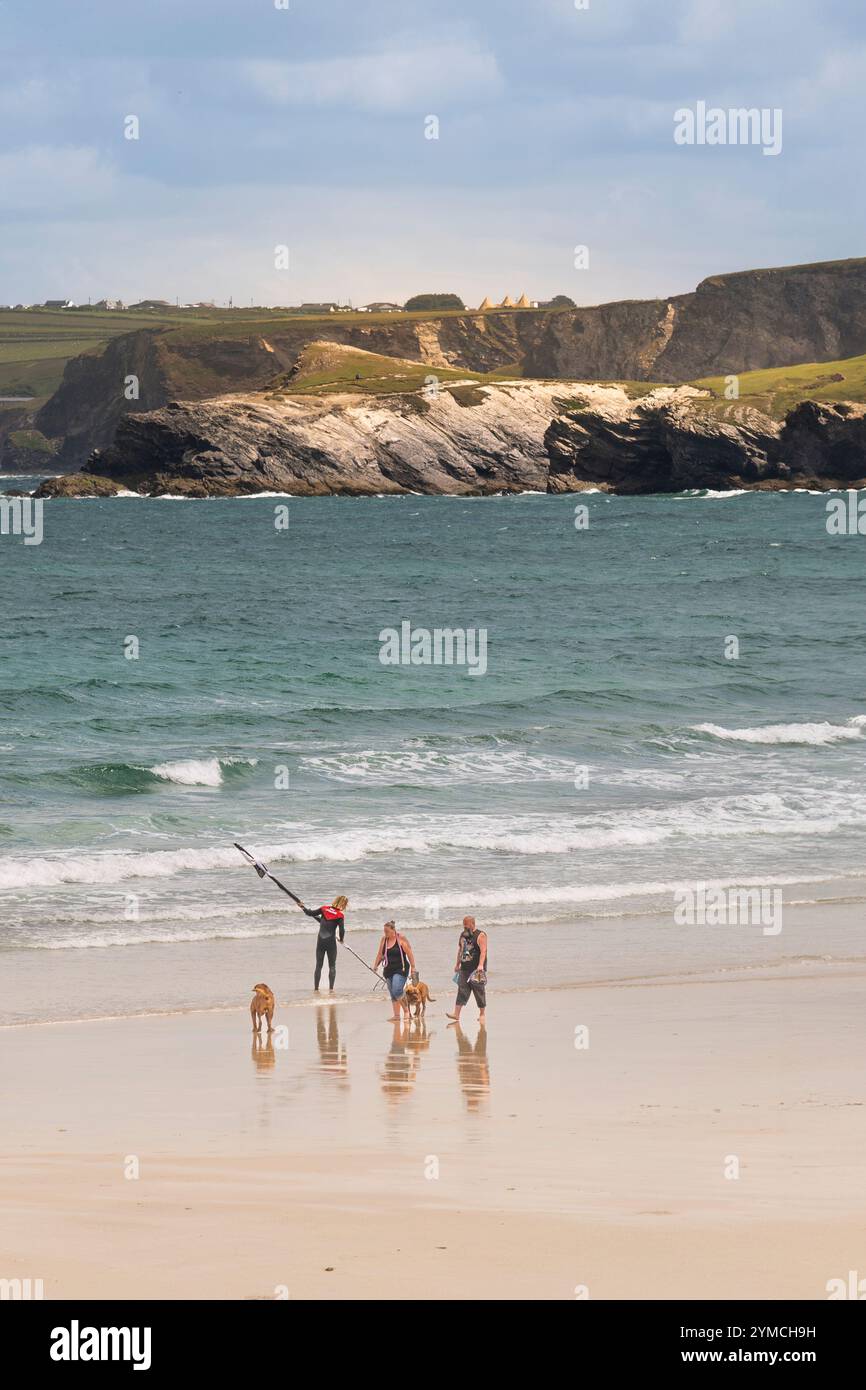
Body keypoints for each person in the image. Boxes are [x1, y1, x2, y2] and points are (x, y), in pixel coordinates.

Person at [302, 895, 348, 992]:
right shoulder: (340, 915)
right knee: (332, 966)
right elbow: (341, 930)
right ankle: (331, 989)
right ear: (343, 904)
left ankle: (316, 989)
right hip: (331, 942)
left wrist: (302, 907)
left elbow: (310, 913)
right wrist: (342, 939)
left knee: (318, 965)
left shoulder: (324, 909)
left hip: (320, 941)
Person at [373, 920, 417, 1021]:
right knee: (393, 993)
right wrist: (376, 965)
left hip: (401, 969)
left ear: (393, 930)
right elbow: (380, 954)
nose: (385, 933)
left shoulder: (401, 938)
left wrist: (413, 968)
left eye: (387, 931)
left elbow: (410, 953)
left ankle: (406, 1011)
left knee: (397, 990)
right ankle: (397, 1016)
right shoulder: (384, 939)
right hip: (388, 970)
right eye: (384, 931)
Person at [447, 915, 487, 1025]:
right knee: (462, 990)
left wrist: (480, 965)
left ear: (472, 924)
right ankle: (456, 1014)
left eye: (466, 925)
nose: (464, 927)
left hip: (476, 970)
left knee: (479, 991)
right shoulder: (463, 935)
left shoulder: (480, 935)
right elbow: (460, 950)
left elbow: (483, 951)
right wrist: (457, 964)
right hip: (464, 968)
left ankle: (482, 1014)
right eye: (463, 925)